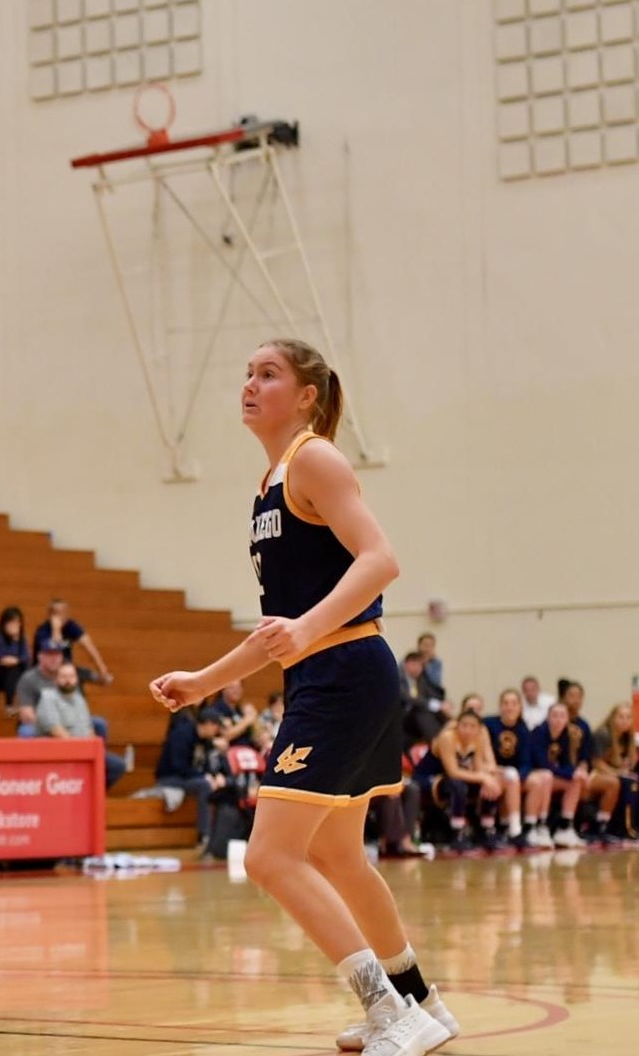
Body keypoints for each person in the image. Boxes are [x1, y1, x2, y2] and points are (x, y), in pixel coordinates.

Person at [150, 338, 458, 1055]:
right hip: (332, 674)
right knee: (338, 857)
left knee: (270, 857)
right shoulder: (269, 484)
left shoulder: (315, 458)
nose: (249, 386)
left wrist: (312, 625)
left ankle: (390, 1012)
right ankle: (424, 1003)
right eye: (247, 374)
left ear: (308, 394)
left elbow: (382, 559)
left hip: (347, 673)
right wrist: (202, 681)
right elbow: (281, 627)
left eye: (267, 374)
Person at [414, 710, 503, 854]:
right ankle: (457, 832)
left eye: (473, 726)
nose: (468, 730)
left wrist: (489, 780)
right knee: (458, 784)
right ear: (457, 726)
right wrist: (484, 777)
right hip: (428, 778)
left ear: (478, 729)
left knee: (491, 783)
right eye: (464, 725)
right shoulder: (447, 737)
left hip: (451, 778)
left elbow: (478, 769)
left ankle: (486, 829)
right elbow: (453, 771)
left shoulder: (478, 739)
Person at [34, 663, 127, 788]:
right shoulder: (48, 698)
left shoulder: (79, 699)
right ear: (56, 679)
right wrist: (81, 751)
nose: (68, 680)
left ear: (76, 679)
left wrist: (94, 752)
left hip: (84, 751)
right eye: (64, 677)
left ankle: (91, 795)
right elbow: (56, 731)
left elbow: (89, 729)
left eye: (71, 676)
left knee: (118, 766)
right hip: (62, 752)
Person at [484, 689, 552, 849]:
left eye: (514, 703)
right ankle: (512, 830)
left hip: (512, 775)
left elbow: (526, 762)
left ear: (520, 707)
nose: (510, 707)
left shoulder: (523, 730)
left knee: (538, 780)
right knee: (511, 776)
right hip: (492, 771)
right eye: (506, 703)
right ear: (500, 706)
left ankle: (530, 827)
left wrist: (520, 775)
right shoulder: (488, 724)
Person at [153, 709, 228, 844]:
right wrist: (205, 776)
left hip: (189, 777)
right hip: (171, 777)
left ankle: (220, 834)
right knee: (204, 785)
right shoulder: (181, 735)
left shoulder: (205, 741)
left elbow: (207, 765)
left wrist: (215, 776)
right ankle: (204, 835)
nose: (217, 731)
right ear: (209, 724)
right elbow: (179, 767)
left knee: (219, 784)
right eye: (216, 726)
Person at [528, 700, 591, 848]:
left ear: (567, 719)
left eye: (562, 716)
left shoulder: (566, 735)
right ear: (548, 717)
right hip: (534, 775)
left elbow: (567, 763)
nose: (558, 719)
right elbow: (543, 764)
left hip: (551, 775)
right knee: (548, 776)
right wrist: (571, 772)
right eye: (554, 715)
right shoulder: (539, 733)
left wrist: (578, 772)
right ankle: (540, 827)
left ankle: (565, 828)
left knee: (576, 780)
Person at [32, 598, 113, 685]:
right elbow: (54, 652)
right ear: (51, 615)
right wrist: (56, 629)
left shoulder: (71, 625)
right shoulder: (42, 631)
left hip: (66, 669)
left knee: (93, 676)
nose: (63, 616)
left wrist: (102, 668)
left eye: (65, 613)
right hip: (46, 672)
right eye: (59, 613)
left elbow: (89, 646)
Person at [589, 702, 638, 842]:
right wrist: (617, 772)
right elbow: (596, 763)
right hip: (592, 774)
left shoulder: (627, 738)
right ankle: (601, 825)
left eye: (628, 717)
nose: (624, 720)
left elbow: (629, 763)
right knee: (615, 782)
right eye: (621, 717)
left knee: (631, 781)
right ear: (612, 717)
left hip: (612, 772)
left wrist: (626, 769)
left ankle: (628, 827)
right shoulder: (603, 734)